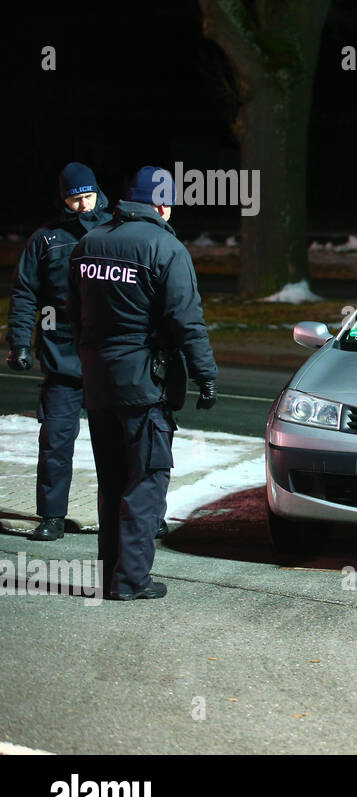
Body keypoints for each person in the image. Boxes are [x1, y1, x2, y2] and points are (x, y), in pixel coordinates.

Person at [68, 166, 219, 600]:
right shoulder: (165, 247)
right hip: (144, 386)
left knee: (111, 480)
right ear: (162, 204)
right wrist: (205, 376)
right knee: (147, 478)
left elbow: (75, 311)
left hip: (97, 382)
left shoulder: (87, 244)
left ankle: (109, 575)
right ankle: (131, 581)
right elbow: (187, 321)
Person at [6, 163, 112, 541]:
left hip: (110, 362)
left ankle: (129, 514)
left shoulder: (117, 230)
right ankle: (51, 516)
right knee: (55, 442)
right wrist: (19, 342)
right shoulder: (46, 240)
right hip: (61, 360)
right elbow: (24, 294)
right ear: (63, 199)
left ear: (98, 192)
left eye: (87, 196)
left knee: (118, 447)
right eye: (74, 198)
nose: (82, 206)